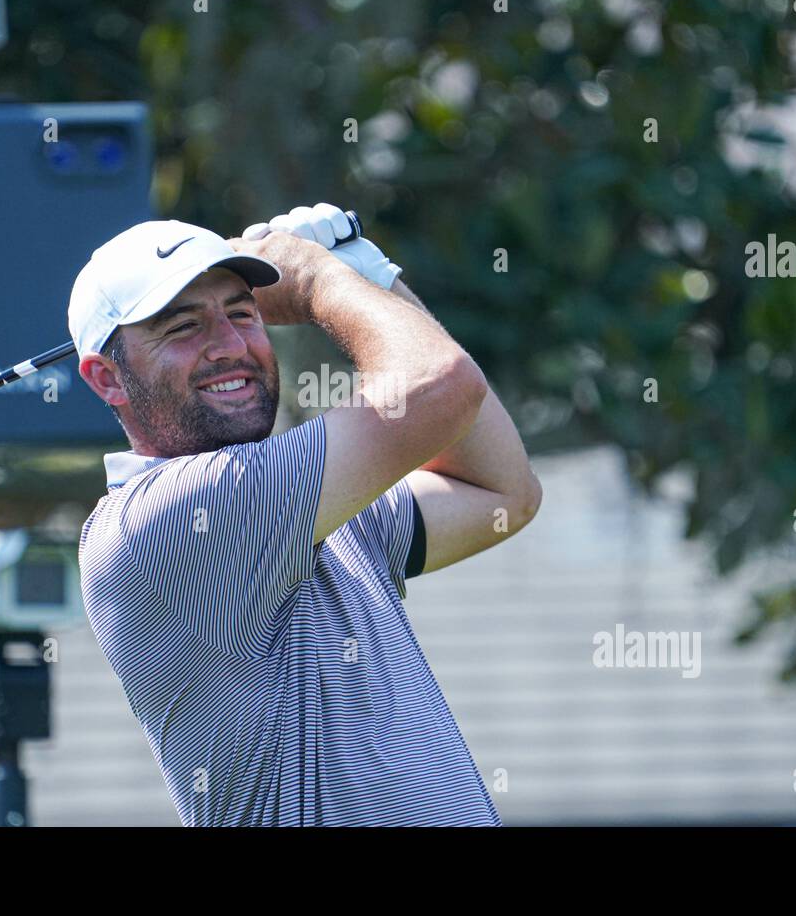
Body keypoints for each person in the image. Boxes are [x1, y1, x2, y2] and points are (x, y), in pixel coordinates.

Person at [69, 202, 541, 825]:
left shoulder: (313, 511)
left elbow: (503, 491)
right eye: (183, 327)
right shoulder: (167, 520)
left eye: (242, 313)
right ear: (108, 379)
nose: (231, 346)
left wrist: (372, 275)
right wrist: (319, 279)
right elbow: (441, 385)